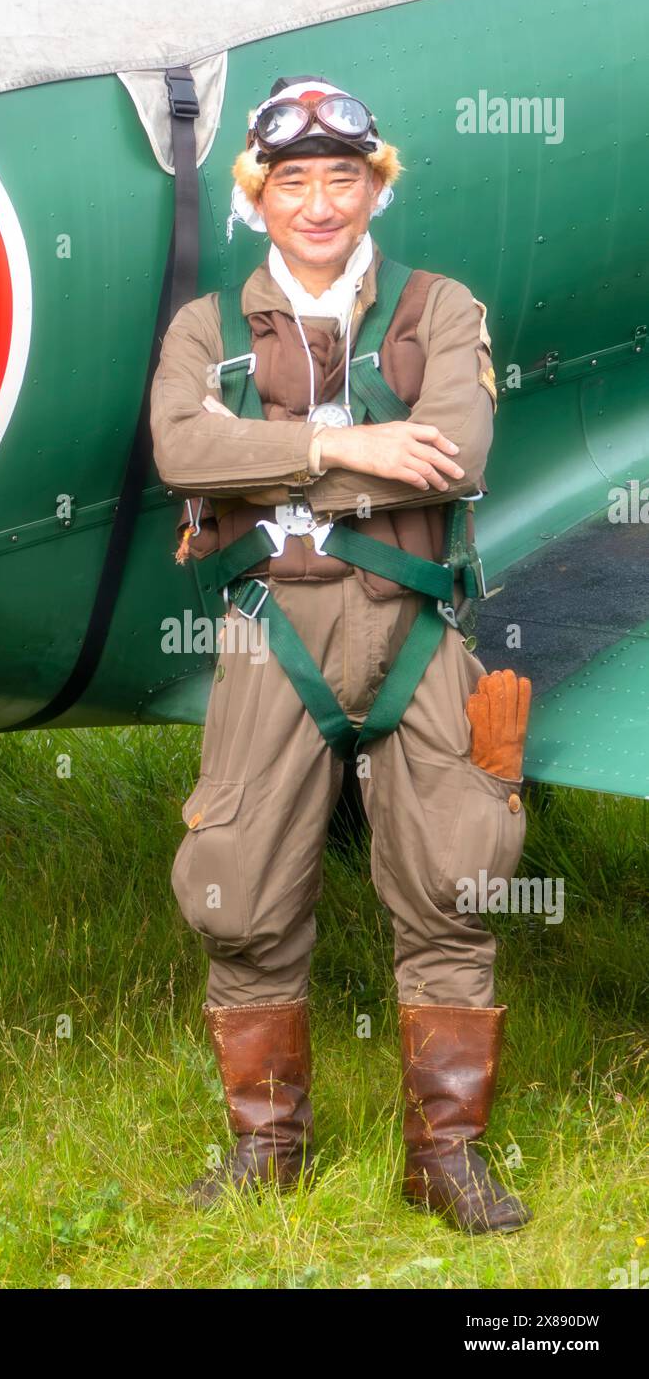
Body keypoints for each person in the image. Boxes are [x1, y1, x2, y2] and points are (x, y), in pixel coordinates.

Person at [150, 75, 533, 1233]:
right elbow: (178, 450)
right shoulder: (209, 328)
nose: (320, 204)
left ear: (377, 185)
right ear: (259, 197)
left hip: (416, 628)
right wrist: (349, 441)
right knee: (239, 893)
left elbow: (454, 456)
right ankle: (266, 1149)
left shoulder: (440, 308)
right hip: (273, 634)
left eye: (345, 179)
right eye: (294, 182)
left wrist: (261, 455)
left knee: (459, 880)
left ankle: (446, 1151)